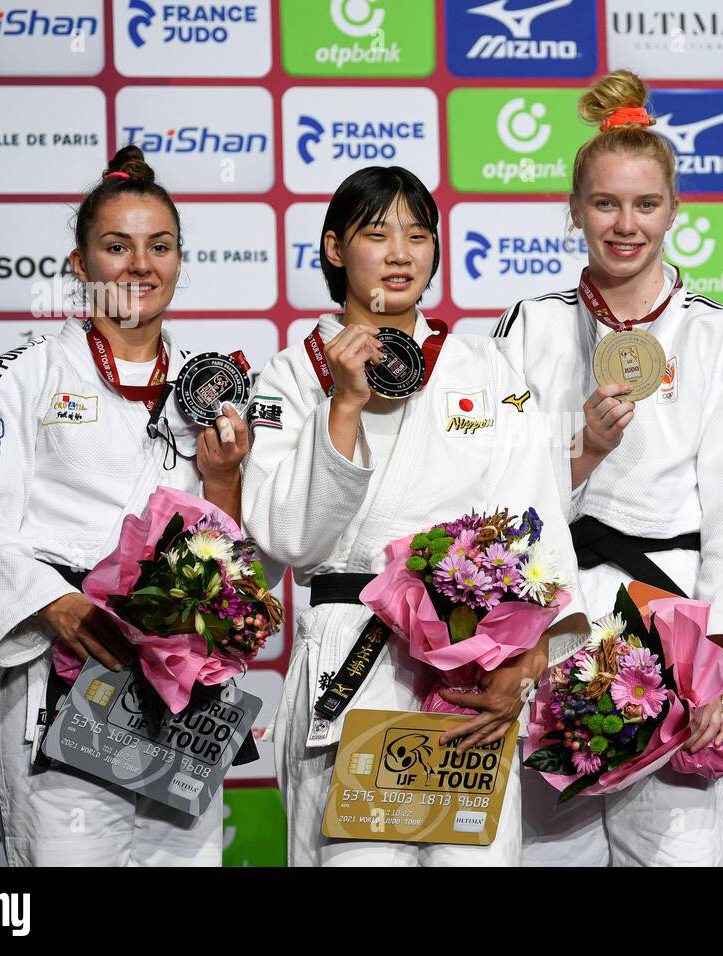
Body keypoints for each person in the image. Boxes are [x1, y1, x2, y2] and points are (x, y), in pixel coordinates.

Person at [241, 165, 588, 866]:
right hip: (351, 659)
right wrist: (342, 404)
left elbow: (537, 517)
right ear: (336, 249)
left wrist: (525, 659)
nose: (401, 253)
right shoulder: (288, 375)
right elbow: (287, 539)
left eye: (419, 234)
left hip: (472, 667)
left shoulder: (489, 369)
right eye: (377, 234)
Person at [493, 69, 723, 867]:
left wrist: (722, 680)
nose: (626, 225)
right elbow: (494, 495)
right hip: (555, 628)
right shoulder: (528, 328)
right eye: (605, 204)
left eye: (646, 205)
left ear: (674, 210)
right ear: (574, 210)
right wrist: (577, 453)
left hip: (676, 633)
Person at [0, 145, 250, 866]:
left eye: (160, 247)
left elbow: (237, 557)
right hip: (67, 673)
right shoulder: (21, 373)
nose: (140, 266)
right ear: (80, 267)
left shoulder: (212, 390)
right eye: (117, 247)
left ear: (179, 261)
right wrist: (59, 608)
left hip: (181, 696)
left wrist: (226, 480)